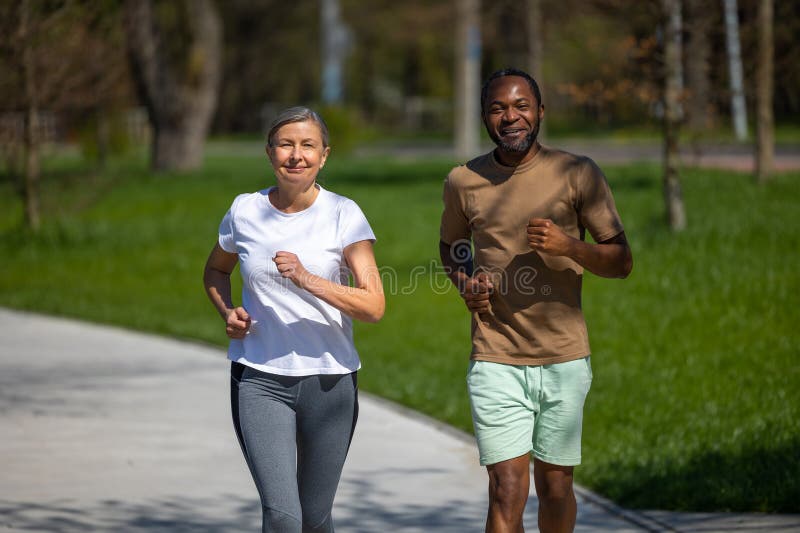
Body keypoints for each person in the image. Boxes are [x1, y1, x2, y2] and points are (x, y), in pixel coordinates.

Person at [439, 68, 633, 533]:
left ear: (540, 112)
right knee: (506, 488)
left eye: (521, 106)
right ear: (485, 117)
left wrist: (570, 247)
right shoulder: (464, 181)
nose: (511, 117)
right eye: (498, 108)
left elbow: (621, 260)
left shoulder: (577, 173)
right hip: (495, 355)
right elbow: (452, 247)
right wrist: (465, 280)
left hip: (564, 356)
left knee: (556, 489)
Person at [203, 106, 384, 533]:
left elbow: (374, 305)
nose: (296, 155)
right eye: (286, 144)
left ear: (324, 156)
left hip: (331, 381)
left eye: (307, 145)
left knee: (316, 520)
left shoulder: (344, 213)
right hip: (261, 379)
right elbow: (216, 270)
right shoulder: (245, 211)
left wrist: (307, 278)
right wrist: (228, 312)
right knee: (284, 518)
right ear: (270, 153)